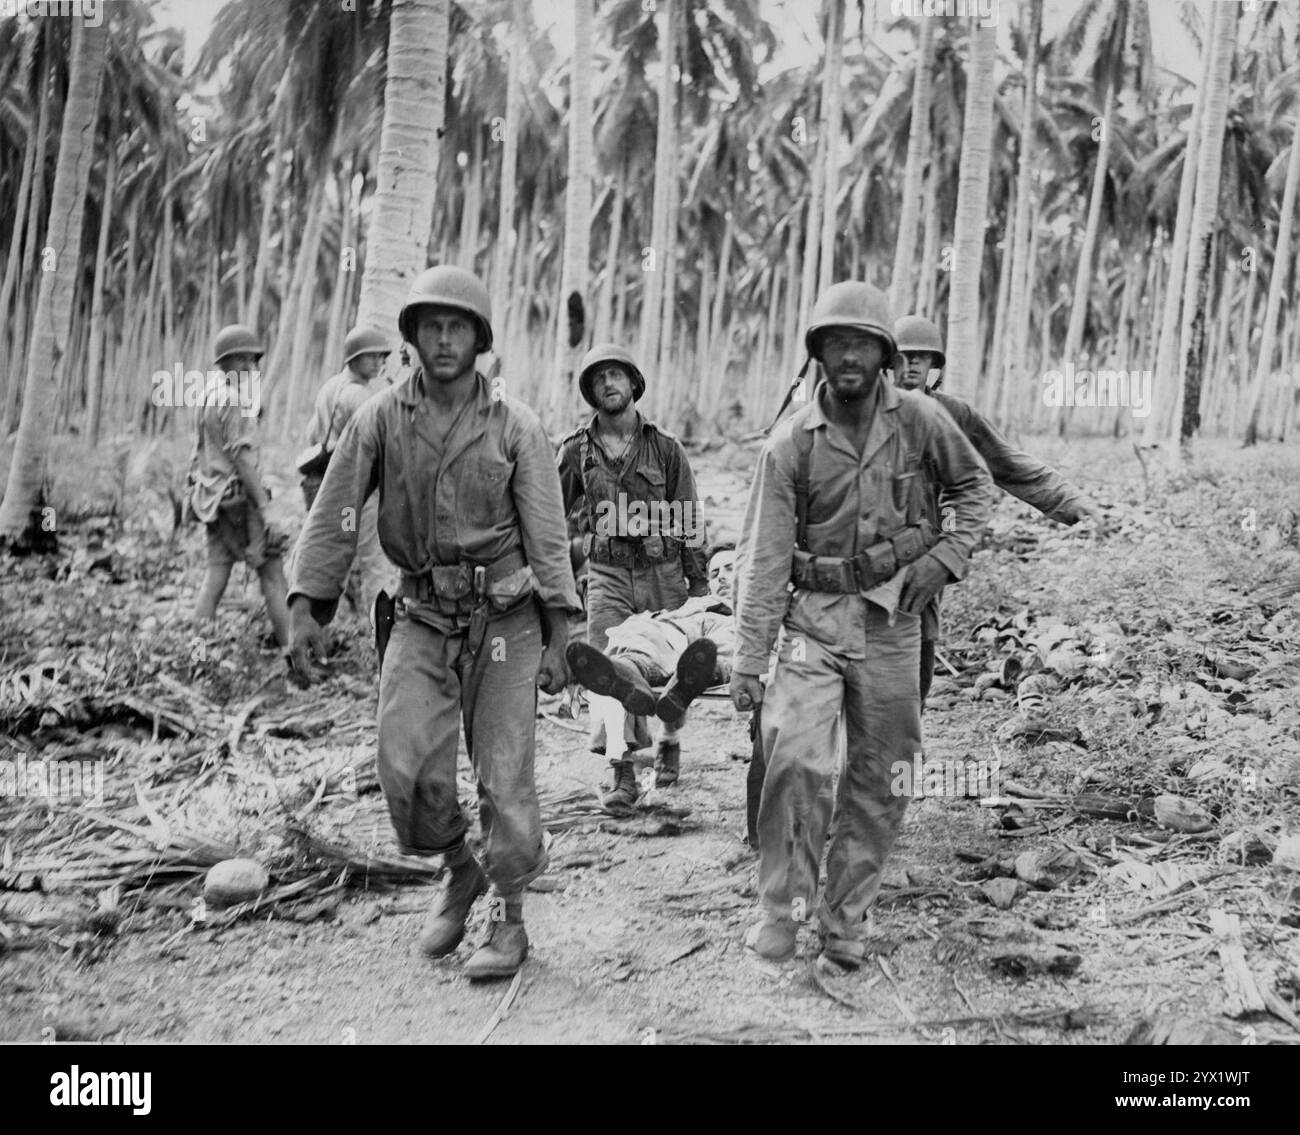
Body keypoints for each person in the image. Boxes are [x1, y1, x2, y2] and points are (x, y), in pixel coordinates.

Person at [286, 266, 580, 981]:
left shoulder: (518, 424)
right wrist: (307, 604)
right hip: (419, 612)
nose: (444, 340)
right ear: (412, 338)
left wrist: (563, 630)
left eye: (458, 327)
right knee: (404, 763)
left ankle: (509, 918)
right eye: (431, 327)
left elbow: (547, 534)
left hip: (507, 620)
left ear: (480, 340)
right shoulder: (381, 417)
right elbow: (338, 508)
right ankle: (458, 865)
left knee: (505, 776)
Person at [731, 281, 994, 969]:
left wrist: (949, 555)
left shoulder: (921, 420)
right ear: (817, 353)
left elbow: (974, 486)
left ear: (883, 353)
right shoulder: (789, 443)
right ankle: (783, 907)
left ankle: (846, 917)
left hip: (892, 619)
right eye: (835, 343)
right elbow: (762, 558)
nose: (849, 356)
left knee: (887, 771)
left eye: (862, 343)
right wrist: (748, 661)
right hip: (810, 621)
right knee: (794, 760)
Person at [893, 314, 1104, 701]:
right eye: (904, 356)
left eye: (922, 358)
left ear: (934, 367)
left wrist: (1073, 503)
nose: (912, 366)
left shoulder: (953, 415)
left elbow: (1009, 463)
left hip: (925, 554)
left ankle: (904, 748)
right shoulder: (861, 413)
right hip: (863, 549)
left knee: (918, 654)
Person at [557, 344, 709, 809]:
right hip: (607, 575)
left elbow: (688, 517)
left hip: (662, 573)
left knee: (670, 666)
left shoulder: (665, 448)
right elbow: (552, 519)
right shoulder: (574, 452)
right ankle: (621, 771)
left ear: (633, 384)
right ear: (590, 392)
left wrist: (699, 585)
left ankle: (668, 741)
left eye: (616, 375)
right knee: (608, 670)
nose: (608, 383)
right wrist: (562, 584)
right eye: (599, 377)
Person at [564, 546, 737, 781]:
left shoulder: (757, 608)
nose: (722, 577)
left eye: (730, 569)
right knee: (632, 649)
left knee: (718, 649)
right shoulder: (693, 605)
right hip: (674, 631)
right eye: (715, 574)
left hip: (721, 632)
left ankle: (697, 673)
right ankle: (629, 674)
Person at [189, 324, 291, 649]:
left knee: (215, 577)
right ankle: (294, 654)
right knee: (273, 577)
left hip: (214, 498)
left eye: (252, 360)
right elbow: (243, 460)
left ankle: (198, 652)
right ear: (225, 362)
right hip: (240, 499)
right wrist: (266, 508)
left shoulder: (208, 395)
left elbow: (202, 451)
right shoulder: (234, 400)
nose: (250, 367)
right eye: (241, 360)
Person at [295, 325, 400, 626]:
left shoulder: (331, 387)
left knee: (335, 555)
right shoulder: (359, 396)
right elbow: (383, 443)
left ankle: (329, 623)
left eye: (382, 357)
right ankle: (378, 632)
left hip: (334, 488)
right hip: (360, 492)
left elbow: (311, 433)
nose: (379, 362)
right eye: (372, 357)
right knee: (374, 563)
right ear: (353, 358)